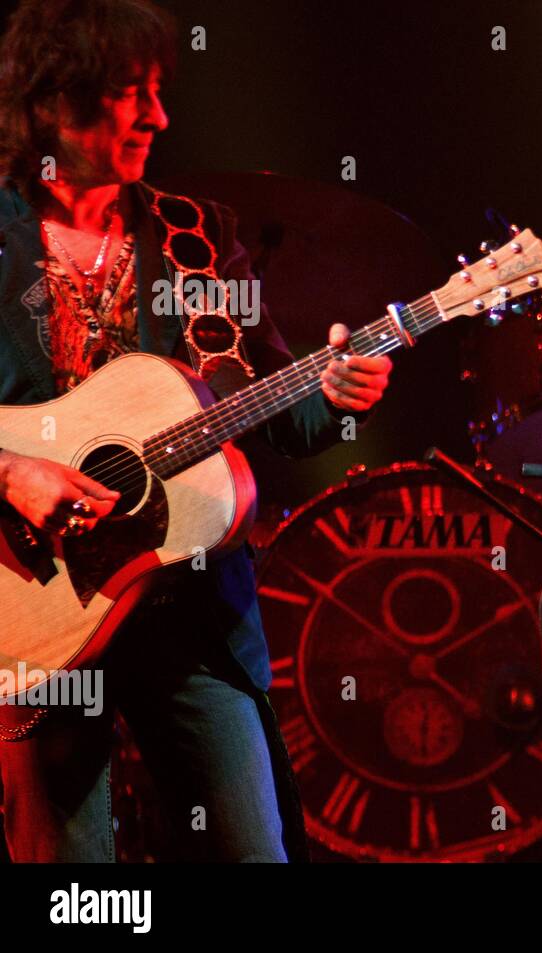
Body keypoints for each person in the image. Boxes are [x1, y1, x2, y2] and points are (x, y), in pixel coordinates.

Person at [0, 0, 391, 861]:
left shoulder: (197, 236)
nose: (159, 116)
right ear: (54, 99)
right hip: (32, 613)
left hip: (192, 609)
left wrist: (337, 392)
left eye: (158, 92)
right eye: (129, 93)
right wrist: (12, 472)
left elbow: (278, 411)